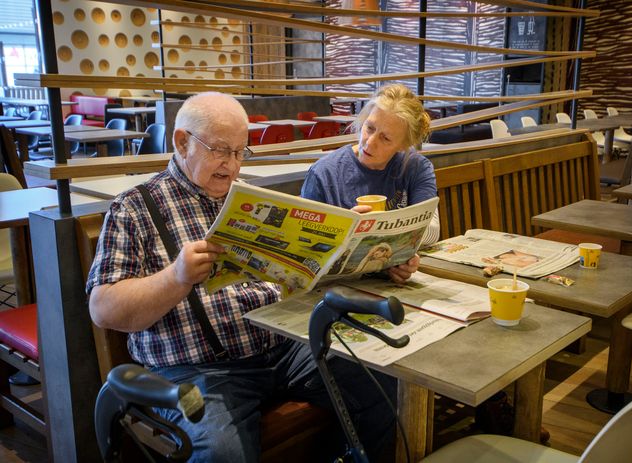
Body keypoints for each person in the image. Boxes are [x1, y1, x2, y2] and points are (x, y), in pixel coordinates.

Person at [86, 92, 395, 462]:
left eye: (240, 152)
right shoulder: (135, 207)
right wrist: (176, 277)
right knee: (223, 453)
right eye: (220, 151)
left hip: (281, 347)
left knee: (382, 384)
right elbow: (103, 309)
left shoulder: (247, 199)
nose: (232, 166)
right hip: (200, 369)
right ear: (182, 142)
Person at [301, 83, 440, 283]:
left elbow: (432, 230)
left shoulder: (416, 167)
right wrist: (347, 230)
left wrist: (397, 257)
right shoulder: (325, 173)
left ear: (403, 146)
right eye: (370, 127)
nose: (369, 142)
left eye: (385, 138)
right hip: (334, 286)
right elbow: (306, 247)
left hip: (386, 285)